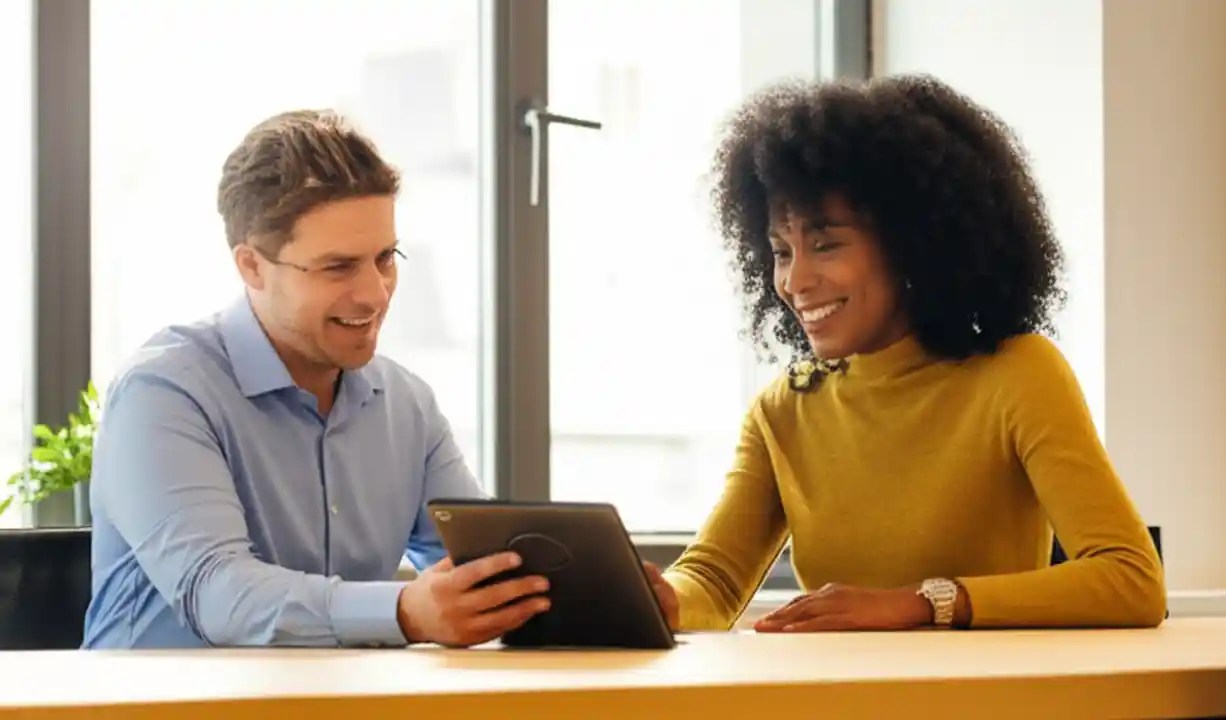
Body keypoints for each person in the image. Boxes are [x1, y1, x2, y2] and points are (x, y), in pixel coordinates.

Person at [652, 75, 1166, 632]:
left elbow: (1130, 580)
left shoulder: (1016, 374)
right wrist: (654, 598)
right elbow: (713, 580)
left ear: (912, 245)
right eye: (780, 251)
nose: (794, 279)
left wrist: (921, 603)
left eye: (826, 245)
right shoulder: (784, 409)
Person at [82, 110, 552, 648]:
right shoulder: (164, 394)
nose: (375, 294)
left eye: (385, 258)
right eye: (338, 267)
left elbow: (484, 564)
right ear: (252, 266)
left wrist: (597, 596)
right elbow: (219, 595)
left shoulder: (406, 404)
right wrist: (403, 611)